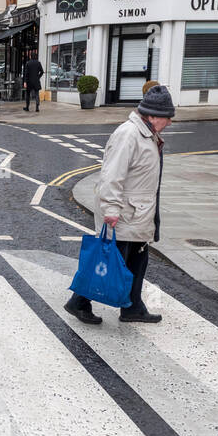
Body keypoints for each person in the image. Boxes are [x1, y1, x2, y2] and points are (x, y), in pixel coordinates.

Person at [65, 84, 175, 325]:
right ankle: (79, 302)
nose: (169, 123)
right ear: (153, 115)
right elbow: (112, 175)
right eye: (167, 118)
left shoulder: (148, 135)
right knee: (110, 262)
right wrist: (112, 209)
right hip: (124, 213)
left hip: (139, 212)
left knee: (137, 260)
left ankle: (132, 307)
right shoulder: (128, 134)